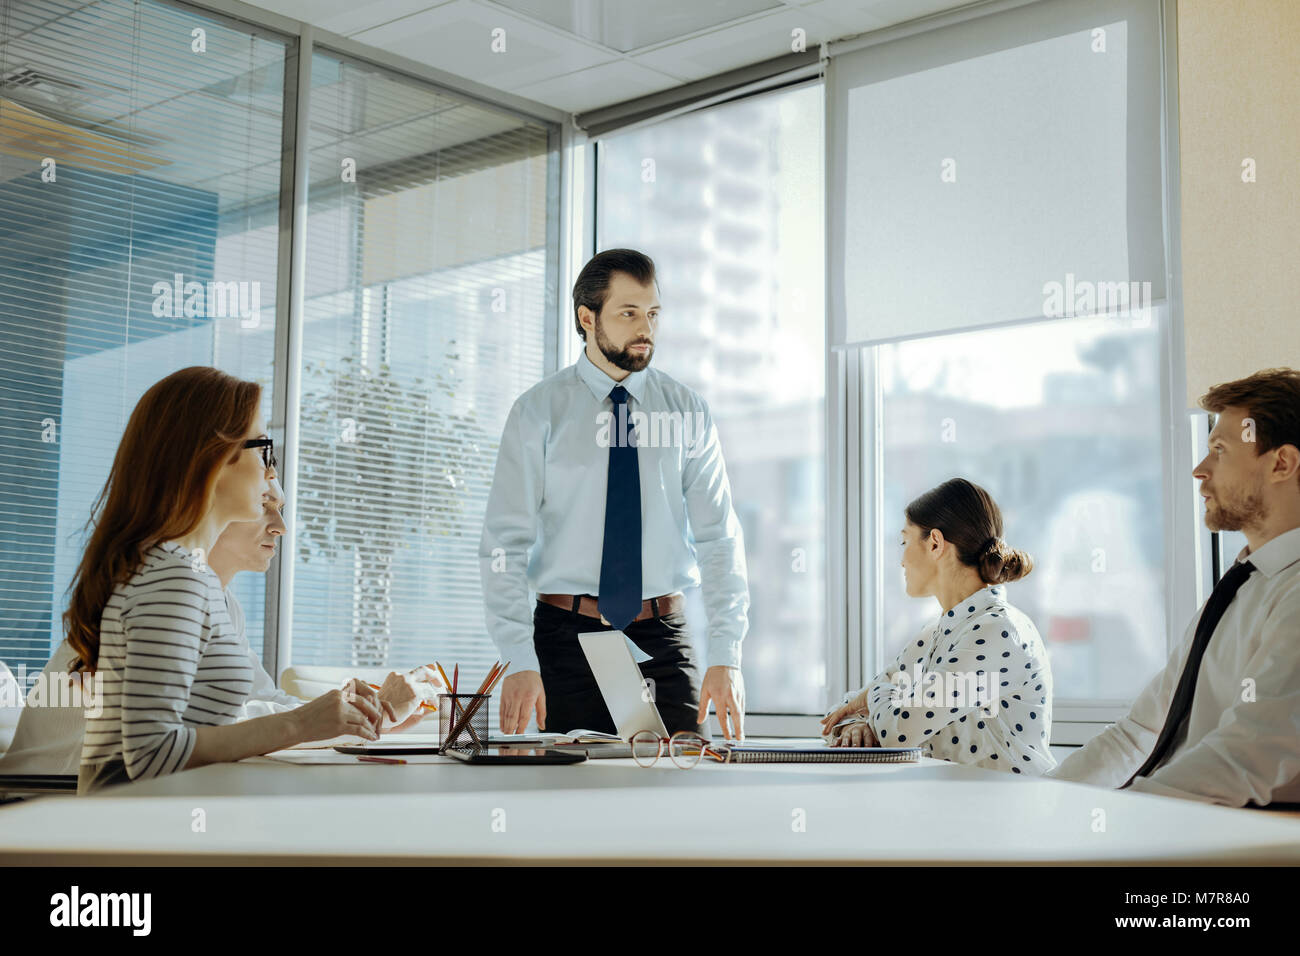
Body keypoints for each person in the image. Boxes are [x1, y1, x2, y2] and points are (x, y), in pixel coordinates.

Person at [70, 366, 394, 793]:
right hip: (140, 836)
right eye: (262, 448)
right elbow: (150, 753)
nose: (270, 471)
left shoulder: (192, 576)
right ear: (211, 458)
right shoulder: (172, 576)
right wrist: (298, 723)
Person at [480, 248, 749, 739]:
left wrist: (726, 654)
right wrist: (518, 658)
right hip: (565, 639)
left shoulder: (687, 412)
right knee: (567, 802)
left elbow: (719, 539)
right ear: (588, 318)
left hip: (664, 638)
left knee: (682, 791)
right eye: (628, 313)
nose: (644, 327)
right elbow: (504, 542)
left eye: (652, 313)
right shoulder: (538, 412)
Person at [0, 480, 436, 777]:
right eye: (265, 507)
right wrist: (334, 718)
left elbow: (261, 701)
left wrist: (364, 716)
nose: (281, 527)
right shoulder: (156, 587)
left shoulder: (220, 599)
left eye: (280, 510)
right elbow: (204, 729)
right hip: (55, 801)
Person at [1051, 368, 1300, 806]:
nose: (1199, 470)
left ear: (1281, 463)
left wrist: (1134, 818)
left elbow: (1248, 753)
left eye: (1219, 451)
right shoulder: (1240, 587)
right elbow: (1140, 732)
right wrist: (1040, 800)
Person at [820, 478, 1056, 774]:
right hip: (953, 808)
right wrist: (855, 724)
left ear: (935, 543)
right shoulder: (939, 633)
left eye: (904, 541)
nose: (902, 560)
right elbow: (845, 707)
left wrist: (872, 696)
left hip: (1008, 810)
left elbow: (898, 733)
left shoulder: (997, 631)